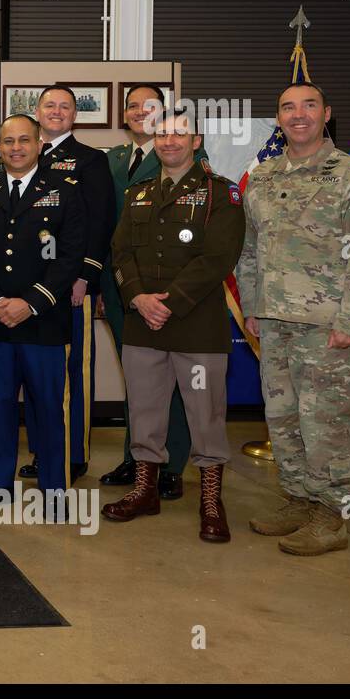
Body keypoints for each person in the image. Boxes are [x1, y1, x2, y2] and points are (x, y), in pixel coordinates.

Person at [238, 83, 350, 555]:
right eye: (287, 107)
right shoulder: (262, 178)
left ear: (327, 114)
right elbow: (249, 251)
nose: (297, 115)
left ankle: (333, 516)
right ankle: (300, 499)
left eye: (308, 106)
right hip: (275, 322)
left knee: (329, 424)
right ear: (278, 118)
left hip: (328, 326)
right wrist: (251, 307)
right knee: (283, 419)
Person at [102, 113, 245, 541]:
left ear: (195, 139)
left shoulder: (221, 193)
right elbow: (120, 250)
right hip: (143, 324)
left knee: (205, 416)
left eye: (178, 132)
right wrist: (138, 298)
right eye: (162, 133)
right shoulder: (139, 192)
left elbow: (219, 257)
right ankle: (146, 491)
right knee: (145, 412)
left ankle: (210, 501)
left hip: (196, 326)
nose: (169, 140)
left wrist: (171, 303)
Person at [0, 114, 86, 510]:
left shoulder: (64, 192)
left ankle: (54, 489)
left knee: (49, 408)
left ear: (39, 145)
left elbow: (69, 258)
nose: (16, 148)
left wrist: (30, 302)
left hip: (44, 322)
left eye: (24, 140)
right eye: (8, 141)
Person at [100, 85, 192, 499]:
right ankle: (137, 456)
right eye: (133, 106)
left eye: (149, 105)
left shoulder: (182, 155)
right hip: (122, 284)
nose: (140, 112)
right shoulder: (113, 160)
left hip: (165, 287)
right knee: (135, 375)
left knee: (169, 379)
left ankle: (170, 463)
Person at [19, 85, 114, 483]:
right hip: (32, 288)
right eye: (50, 105)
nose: (57, 112)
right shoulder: (25, 158)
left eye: (65, 107)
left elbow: (101, 222)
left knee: (74, 372)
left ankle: (73, 454)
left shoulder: (89, 161)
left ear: (75, 116)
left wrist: (85, 276)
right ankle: (44, 452)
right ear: (37, 112)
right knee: (39, 375)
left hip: (71, 287)